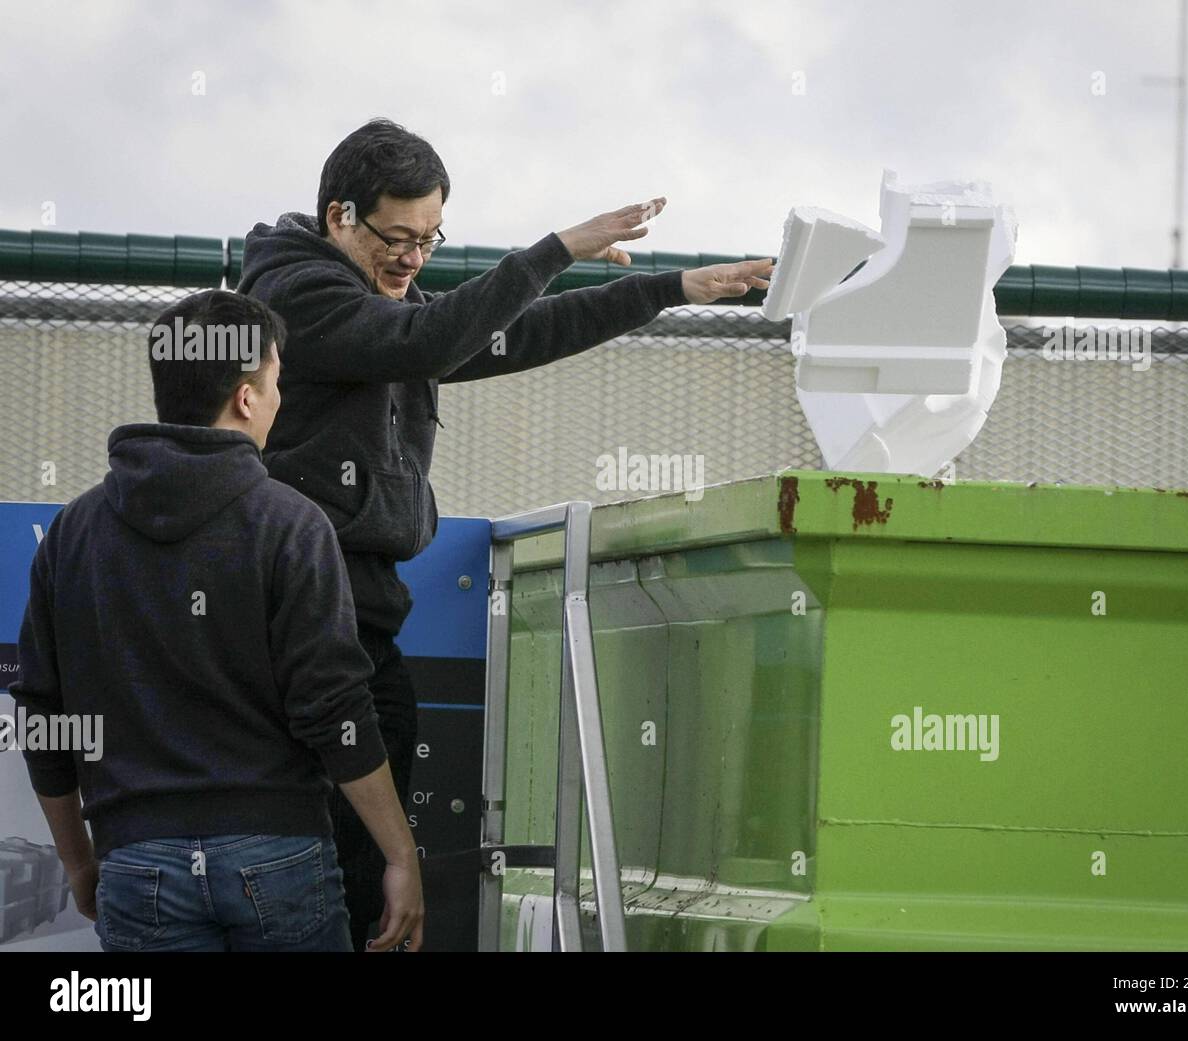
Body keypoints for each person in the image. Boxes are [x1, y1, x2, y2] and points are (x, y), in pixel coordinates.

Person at [237, 117, 773, 949]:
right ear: (340, 215)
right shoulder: (299, 294)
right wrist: (556, 246)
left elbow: (506, 335)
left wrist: (668, 289)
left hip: (364, 617)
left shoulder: (373, 297)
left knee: (360, 871)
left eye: (429, 239)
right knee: (331, 869)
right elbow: (433, 335)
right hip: (308, 622)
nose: (413, 259)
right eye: (397, 237)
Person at [9, 290, 422, 952]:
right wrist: (399, 855)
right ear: (246, 397)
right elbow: (334, 706)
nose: (279, 400)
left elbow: (42, 716)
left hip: (134, 863)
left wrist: (80, 861)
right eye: (275, 381)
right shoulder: (292, 525)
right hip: (281, 857)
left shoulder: (71, 534)